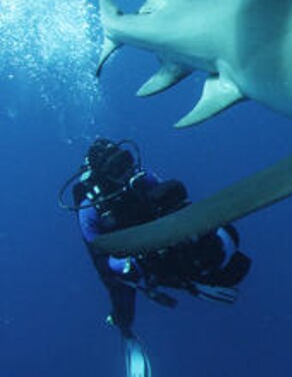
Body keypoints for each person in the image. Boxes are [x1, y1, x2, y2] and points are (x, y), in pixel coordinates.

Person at [61, 138, 252, 377]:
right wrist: (131, 264)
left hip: (157, 237)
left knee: (229, 262)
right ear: (103, 175)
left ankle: (194, 275)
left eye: (126, 161)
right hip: (126, 257)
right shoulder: (90, 208)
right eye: (117, 168)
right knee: (121, 294)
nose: (126, 171)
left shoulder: (143, 179)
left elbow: (177, 207)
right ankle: (125, 328)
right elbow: (101, 258)